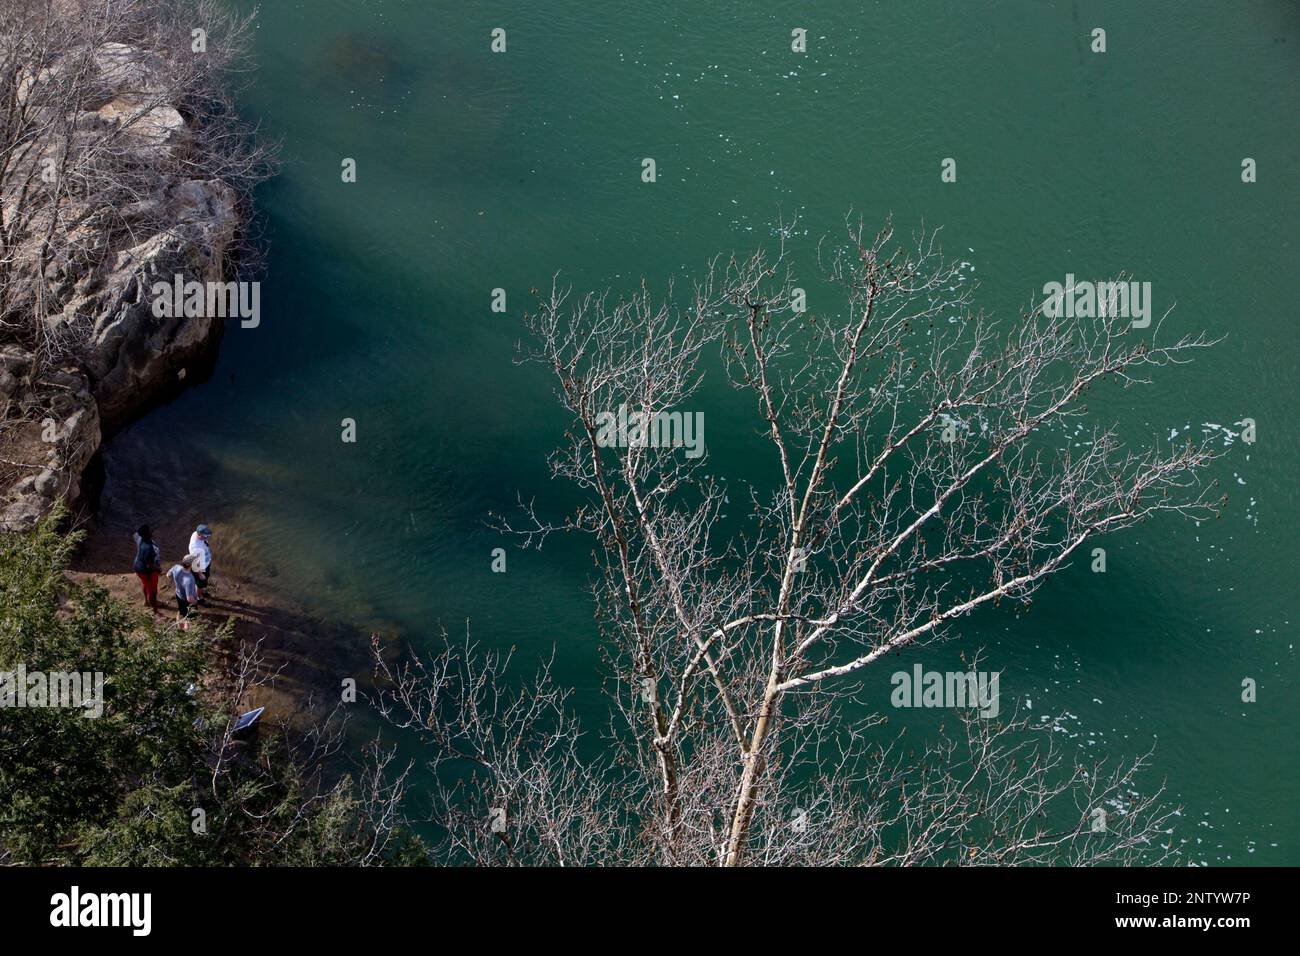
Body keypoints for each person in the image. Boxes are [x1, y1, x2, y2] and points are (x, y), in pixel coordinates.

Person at [132, 525, 162, 612]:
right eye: (150, 530)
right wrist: (158, 569)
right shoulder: (149, 548)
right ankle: (155, 610)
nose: (152, 530)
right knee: (152, 591)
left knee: (146, 585)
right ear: (147, 534)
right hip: (147, 571)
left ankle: (146, 602)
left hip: (138, 565)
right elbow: (149, 565)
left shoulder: (140, 538)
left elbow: (135, 534)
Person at [166, 554, 199, 630]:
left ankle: (179, 628)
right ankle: (188, 635)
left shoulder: (176, 567)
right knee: (189, 619)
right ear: (190, 565)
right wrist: (196, 602)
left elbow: (168, 575)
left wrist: (176, 582)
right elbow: (189, 598)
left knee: (181, 612)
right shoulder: (189, 579)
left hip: (179, 595)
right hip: (187, 601)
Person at [188, 523, 213, 606]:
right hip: (200, 568)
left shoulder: (196, 533)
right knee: (200, 583)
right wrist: (200, 574)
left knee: (200, 584)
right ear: (200, 535)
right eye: (205, 536)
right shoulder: (196, 547)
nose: (207, 537)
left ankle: (200, 590)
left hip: (205, 563)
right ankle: (199, 598)